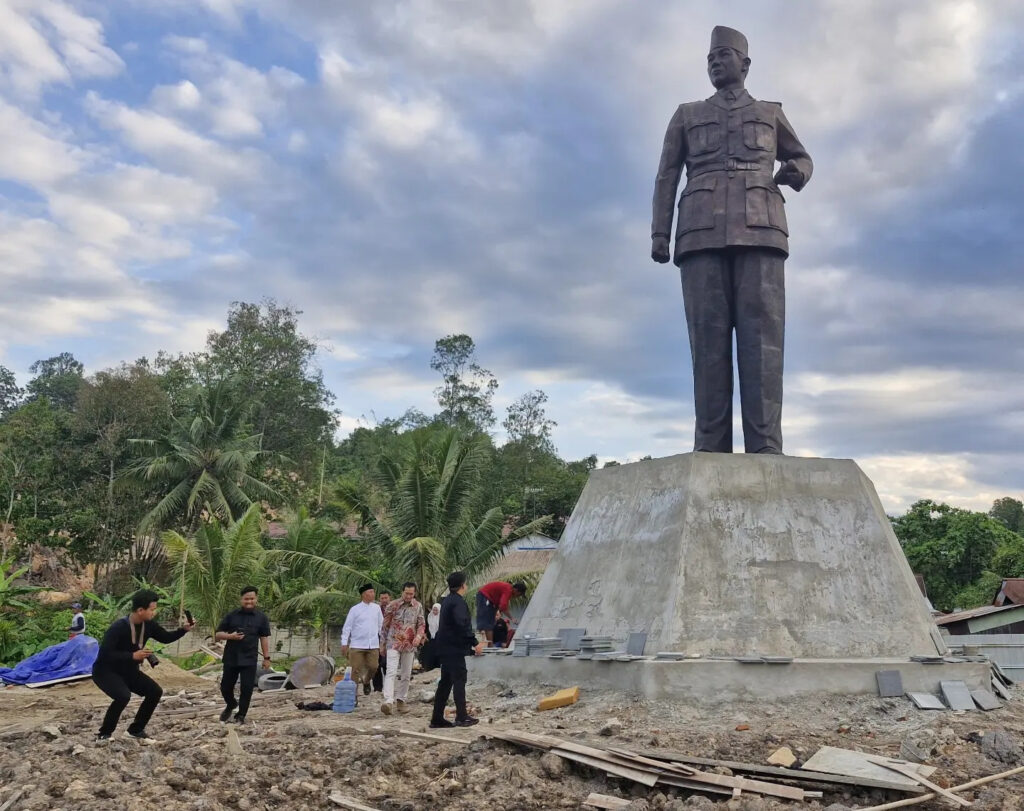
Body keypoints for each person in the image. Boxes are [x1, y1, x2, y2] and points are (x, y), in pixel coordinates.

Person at [651, 26, 812, 454]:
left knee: (764, 343)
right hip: (700, 231)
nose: (715, 63)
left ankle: (765, 448)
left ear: (745, 63)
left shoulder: (770, 111)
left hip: (761, 227)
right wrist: (659, 232)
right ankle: (710, 446)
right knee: (708, 344)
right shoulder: (686, 114)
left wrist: (796, 172)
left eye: (723, 55)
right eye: (710, 59)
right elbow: (667, 174)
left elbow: (800, 155)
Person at [91, 588, 195, 742]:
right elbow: (105, 655)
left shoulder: (149, 625)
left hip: (128, 670)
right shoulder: (118, 628)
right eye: (152, 609)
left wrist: (184, 630)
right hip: (106, 671)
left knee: (154, 692)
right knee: (123, 696)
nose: (154, 612)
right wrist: (132, 656)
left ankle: (136, 730)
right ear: (140, 610)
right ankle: (104, 734)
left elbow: (165, 638)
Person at [431, 571, 484, 728]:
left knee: (445, 683)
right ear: (462, 585)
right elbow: (461, 625)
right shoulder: (458, 602)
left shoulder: (447, 600)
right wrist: (475, 642)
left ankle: (437, 718)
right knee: (459, 680)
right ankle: (461, 716)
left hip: (445, 648)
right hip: (454, 649)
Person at [214, 585, 271, 724]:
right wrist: (231, 636)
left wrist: (266, 658)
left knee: (247, 689)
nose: (249, 602)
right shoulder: (232, 615)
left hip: (249, 659)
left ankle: (241, 715)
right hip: (231, 658)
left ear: (256, 599)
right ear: (241, 599)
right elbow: (217, 634)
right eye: (246, 599)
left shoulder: (261, 618)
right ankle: (231, 703)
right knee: (225, 687)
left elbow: (264, 638)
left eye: (252, 599)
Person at [380, 582, 426, 715]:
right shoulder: (392, 605)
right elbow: (385, 626)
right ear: (402, 592)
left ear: (414, 593)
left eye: (411, 593)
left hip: (410, 644)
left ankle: (401, 700)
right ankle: (388, 701)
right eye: (406, 593)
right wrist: (382, 643)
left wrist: (419, 636)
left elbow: (421, 624)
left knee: (406, 674)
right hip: (393, 642)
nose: (408, 596)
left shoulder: (418, 606)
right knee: (391, 671)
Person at [340, 583, 383, 697]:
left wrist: (383, 641)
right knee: (355, 670)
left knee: (374, 667)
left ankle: (367, 681)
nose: (373, 594)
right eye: (370, 592)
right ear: (363, 595)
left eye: (373, 592)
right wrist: (344, 643)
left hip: (373, 644)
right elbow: (347, 627)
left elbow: (381, 626)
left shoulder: (377, 608)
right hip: (357, 645)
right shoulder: (355, 609)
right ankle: (353, 696)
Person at [475, 581, 526, 645]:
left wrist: (496, 612)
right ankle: (488, 645)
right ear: (516, 590)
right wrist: (512, 618)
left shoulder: (507, 590)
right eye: (519, 594)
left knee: (490, 622)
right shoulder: (508, 589)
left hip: (490, 600)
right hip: (484, 596)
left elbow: (500, 606)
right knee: (487, 622)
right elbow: (503, 606)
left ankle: (489, 645)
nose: (518, 597)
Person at [372, 591, 391, 693]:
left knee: (386, 663)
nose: (384, 600)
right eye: (382, 598)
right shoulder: (375, 610)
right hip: (376, 639)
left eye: (386, 598)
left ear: (389, 598)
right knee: (376, 664)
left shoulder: (393, 609)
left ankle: (388, 686)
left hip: (389, 639)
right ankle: (377, 688)